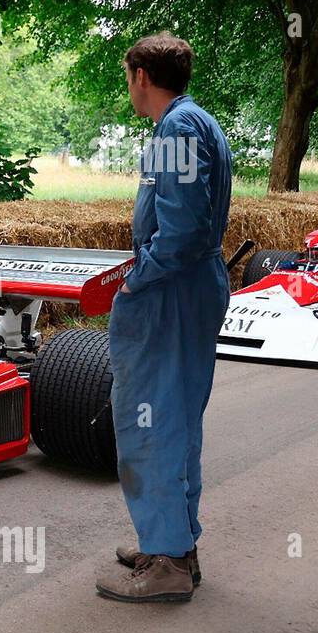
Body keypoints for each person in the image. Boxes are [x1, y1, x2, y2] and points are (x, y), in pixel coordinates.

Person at [97, 32, 232, 604]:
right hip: (194, 287)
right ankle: (173, 542)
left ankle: (170, 564)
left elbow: (178, 234)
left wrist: (133, 279)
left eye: (127, 76)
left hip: (171, 294)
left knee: (150, 423)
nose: (128, 86)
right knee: (177, 421)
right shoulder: (200, 123)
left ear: (141, 77)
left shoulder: (175, 131)